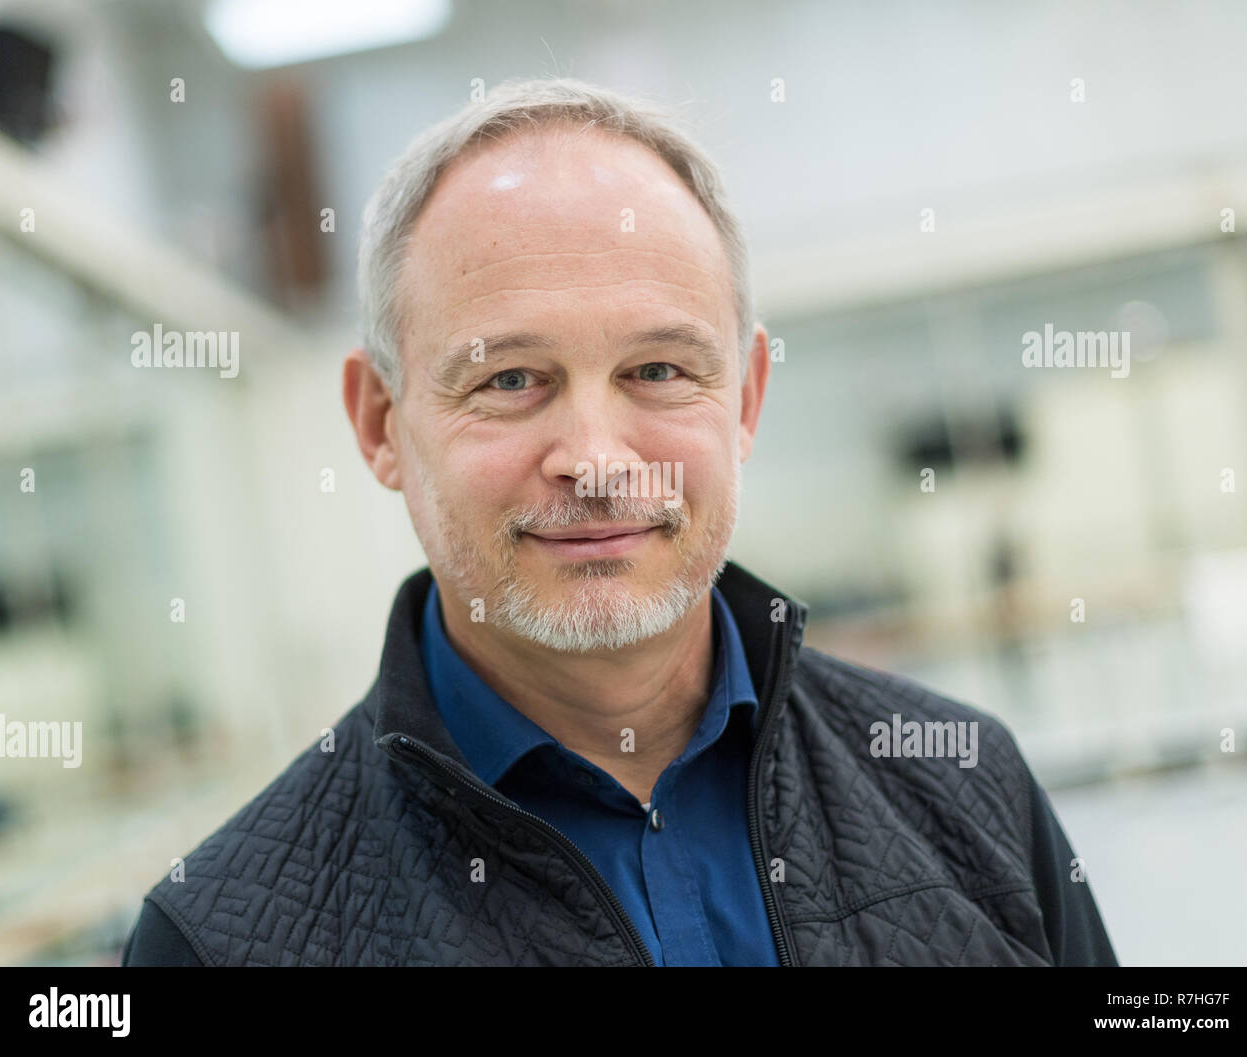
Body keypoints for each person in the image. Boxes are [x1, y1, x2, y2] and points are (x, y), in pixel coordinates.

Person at [121, 77, 1117, 966]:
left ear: (746, 400)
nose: (595, 461)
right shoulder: (218, 940)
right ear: (381, 422)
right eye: (509, 379)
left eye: (656, 371)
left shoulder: (965, 782)